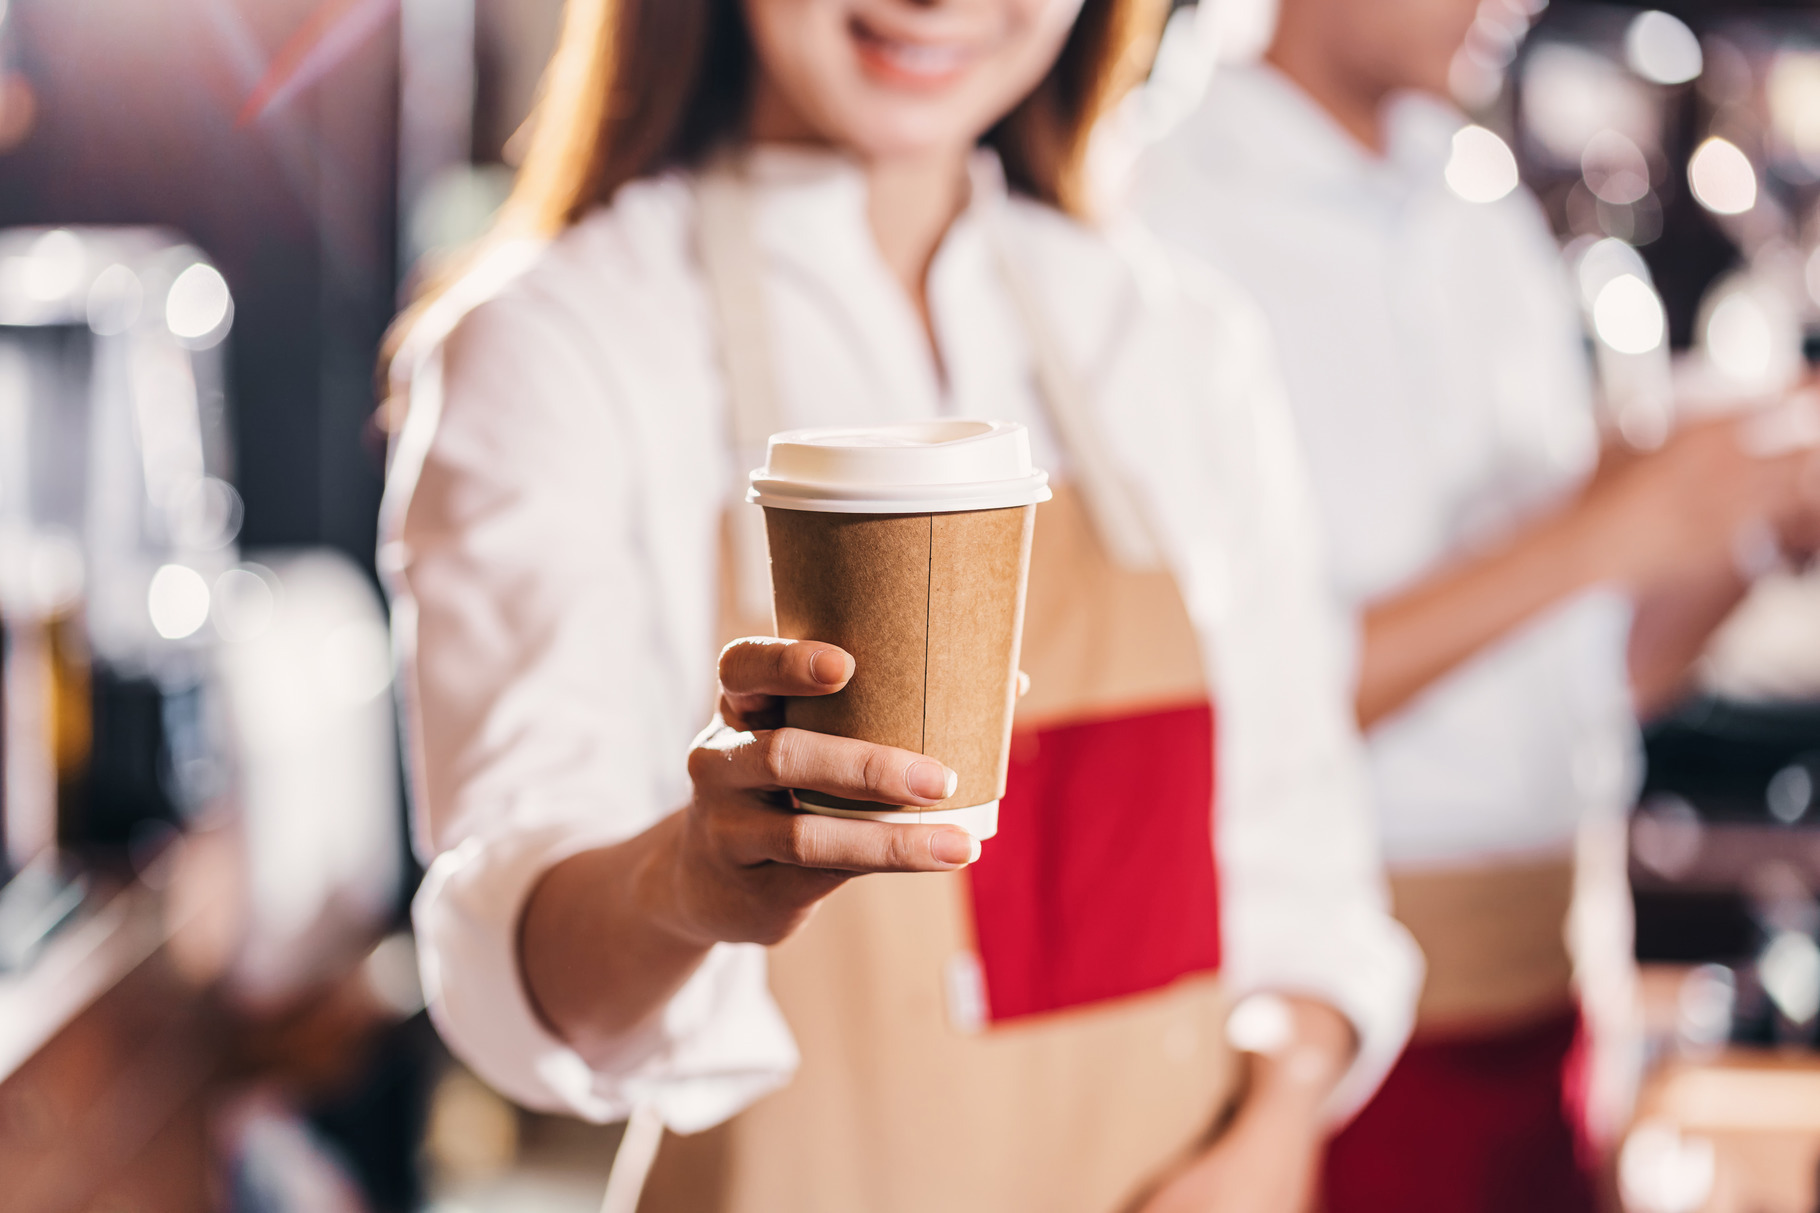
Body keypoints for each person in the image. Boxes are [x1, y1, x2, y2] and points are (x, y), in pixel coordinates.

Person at [380, 1, 1421, 1210]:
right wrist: (689, 880)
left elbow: (1301, 862)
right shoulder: (559, 345)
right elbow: (521, 962)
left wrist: (1278, 1119)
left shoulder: (1174, 337)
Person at [1134, 1, 1820, 1209]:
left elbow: (1580, 675)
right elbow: (1219, 708)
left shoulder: (1471, 198)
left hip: (1553, 997)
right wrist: (1612, 528)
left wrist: (1750, 527)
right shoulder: (1161, 216)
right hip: (1332, 1039)